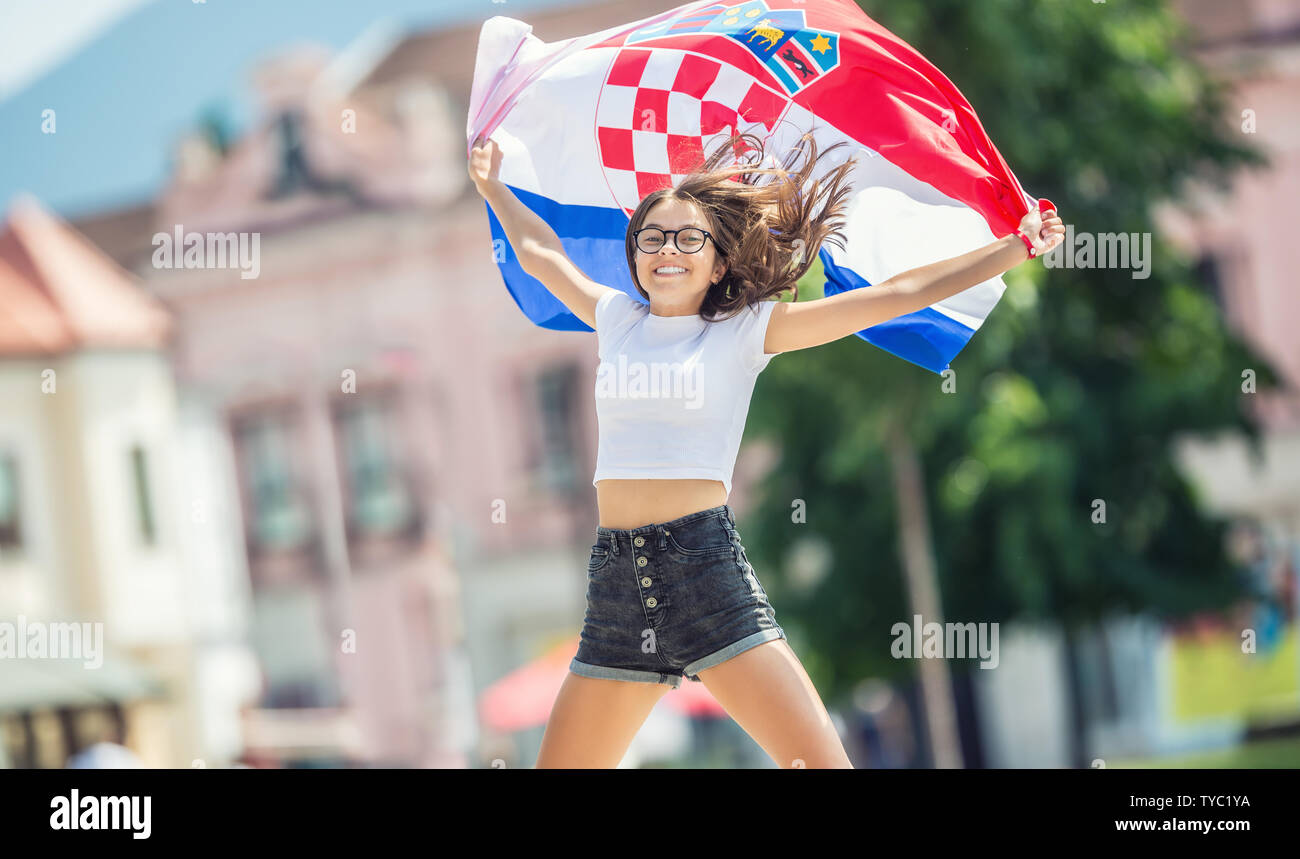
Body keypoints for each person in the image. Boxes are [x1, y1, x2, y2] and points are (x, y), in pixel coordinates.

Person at [468, 129, 1064, 768]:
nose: (667, 249)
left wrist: (1014, 248)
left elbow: (895, 297)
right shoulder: (614, 318)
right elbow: (538, 252)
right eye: (652, 237)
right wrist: (492, 186)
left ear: (719, 262)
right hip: (616, 589)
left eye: (688, 237)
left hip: (705, 579)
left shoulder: (746, 331)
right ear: (635, 255)